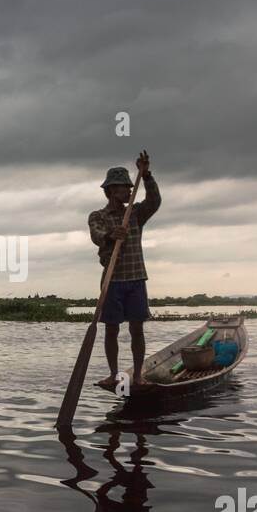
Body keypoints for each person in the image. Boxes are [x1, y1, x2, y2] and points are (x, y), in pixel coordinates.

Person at [87, 151, 159, 389]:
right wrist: (110, 235)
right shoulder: (98, 215)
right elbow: (97, 236)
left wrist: (146, 175)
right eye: (124, 188)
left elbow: (155, 201)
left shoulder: (136, 214)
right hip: (113, 279)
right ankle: (114, 374)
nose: (129, 191)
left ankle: (138, 376)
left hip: (136, 278)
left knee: (137, 328)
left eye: (130, 187)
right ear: (110, 192)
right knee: (111, 329)